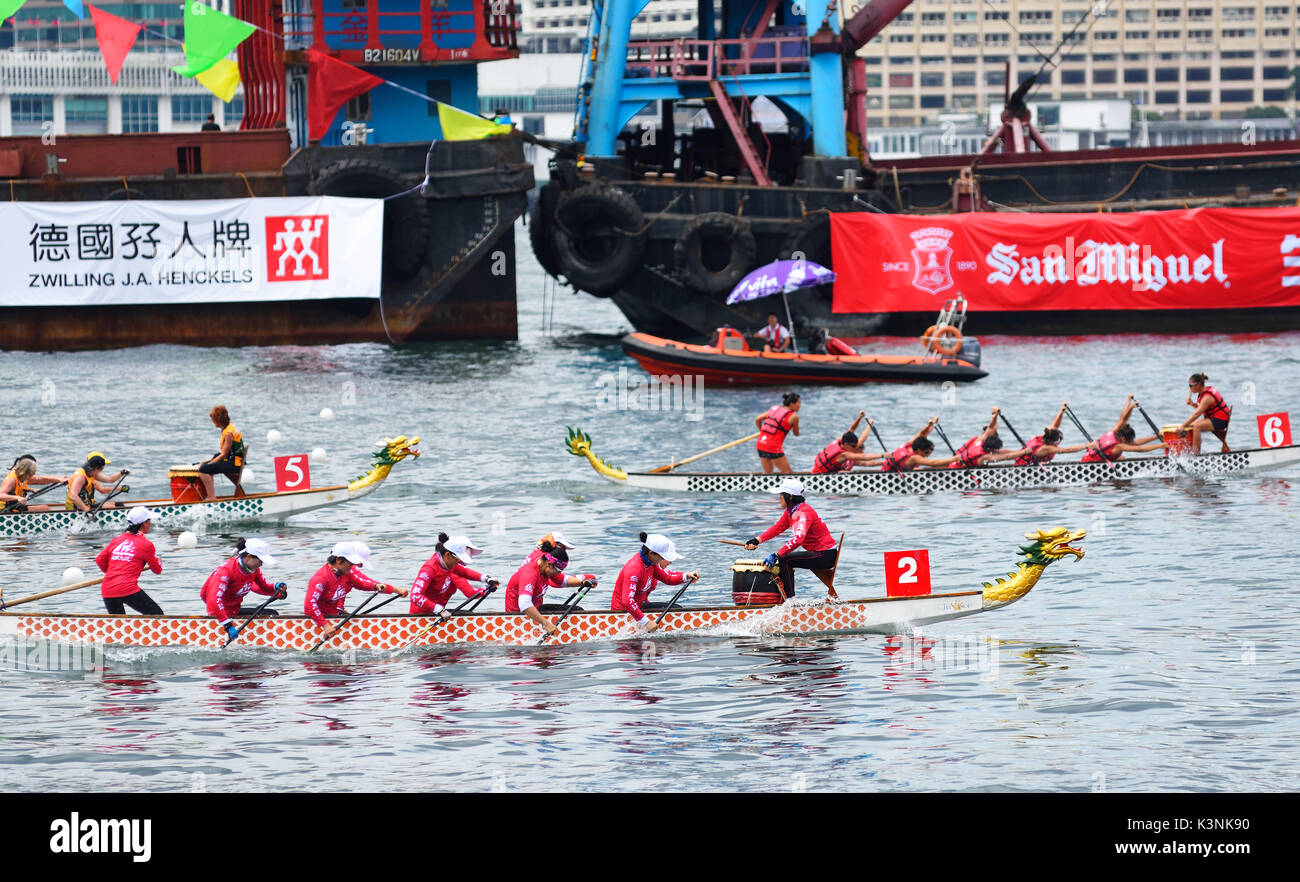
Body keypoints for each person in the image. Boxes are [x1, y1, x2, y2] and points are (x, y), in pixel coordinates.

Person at [743, 478, 837, 598]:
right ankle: (786, 599)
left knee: (785, 559)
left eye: (781, 494)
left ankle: (790, 601)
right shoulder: (792, 511)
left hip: (825, 555)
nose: (779, 498)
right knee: (784, 558)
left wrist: (776, 555)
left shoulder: (803, 512)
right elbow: (777, 528)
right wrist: (756, 540)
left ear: (790, 496)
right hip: (818, 553)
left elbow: (798, 539)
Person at [305, 541, 408, 639]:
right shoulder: (320, 578)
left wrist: (396, 590)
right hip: (319, 622)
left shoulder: (346, 574)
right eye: (350, 562)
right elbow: (309, 604)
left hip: (334, 618)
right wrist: (325, 625)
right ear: (338, 560)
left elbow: (364, 584)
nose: (352, 566)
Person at [201, 538, 287, 642]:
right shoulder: (226, 571)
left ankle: (267, 640)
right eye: (260, 560)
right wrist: (227, 625)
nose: (262, 564)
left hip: (234, 612)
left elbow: (263, 587)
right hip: (220, 616)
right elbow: (212, 599)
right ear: (249, 557)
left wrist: (276, 588)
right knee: (270, 615)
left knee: (272, 614)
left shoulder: (253, 570)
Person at [611, 532, 699, 632]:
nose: (663, 559)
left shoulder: (650, 563)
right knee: (676, 609)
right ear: (651, 553)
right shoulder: (634, 569)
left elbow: (668, 578)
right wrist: (646, 622)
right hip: (622, 613)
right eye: (661, 557)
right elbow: (627, 601)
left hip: (639, 606)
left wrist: (686, 576)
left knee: (676, 609)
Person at [505, 544, 596, 638]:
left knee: (576, 610)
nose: (557, 574)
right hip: (517, 617)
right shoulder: (530, 573)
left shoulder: (545, 568)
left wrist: (583, 582)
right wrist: (546, 624)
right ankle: (572, 637)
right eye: (558, 571)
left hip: (534, 611)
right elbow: (524, 604)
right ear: (549, 564)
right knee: (577, 611)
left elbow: (563, 581)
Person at [94, 506, 164, 615]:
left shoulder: (117, 540)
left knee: (119, 624)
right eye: (149, 521)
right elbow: (157, 570)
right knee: (157, 616)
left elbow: (99, 560)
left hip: (107, 589)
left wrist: (114, 573)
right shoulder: (147, 545)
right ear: (144, 523)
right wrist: (158, 561)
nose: (151, 523)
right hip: (127, 588)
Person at [410, 533, 499, 617]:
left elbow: (465, 572)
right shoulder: (429, 569)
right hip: (419, 617)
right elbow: (415, 596)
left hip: (438, 614)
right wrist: (438, 609)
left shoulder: (448, 565)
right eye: (459, 560)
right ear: (448, 555)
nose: (459, 563)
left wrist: (486, 579)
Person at [1081, 395, 1165, 462]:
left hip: (1089, 457)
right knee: (1121, 458)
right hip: (1090, 464)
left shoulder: (1114, 431)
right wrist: (1161, 445)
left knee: (1121, 458)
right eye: (1130, 440)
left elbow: (1123, 418)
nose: (1132, 442)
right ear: (1124, 438)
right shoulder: (1119, 446)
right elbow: (1139, 449)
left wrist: (1129, 403)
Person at [1011, 403, 1090, 465]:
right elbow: (1067, 450)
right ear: (1052, 442)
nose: (1061, 441)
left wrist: (1061, 412)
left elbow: (1055, 425)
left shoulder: (1046, 436)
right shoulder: (1046, 448)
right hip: (1023, 468)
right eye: (1060, 439)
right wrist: (1087, 445)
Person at [811, 410, 884, 473]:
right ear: (846, 444)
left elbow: (852, 429)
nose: (855, 448)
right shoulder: (844, 454)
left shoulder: (844, 442)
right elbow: (863, 454)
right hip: (820, 477)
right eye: (854, 447)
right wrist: (883, 455)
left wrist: (860, 418)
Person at [948, 408, 1021, 468]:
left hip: (956, 463)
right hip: (957, 470)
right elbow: (1006, 457)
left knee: (999, 452)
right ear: (991, 449)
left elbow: (991, 427)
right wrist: (1024, 452)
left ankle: (1020, 451)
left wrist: (995, 416)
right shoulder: (985, 456)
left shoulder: (980, 441)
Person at [198, 405, 246, 497]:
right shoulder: (229, 426)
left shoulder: (228, 434)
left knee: (203, 470)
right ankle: (210, 496)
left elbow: (224, 455)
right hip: (234, 460)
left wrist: (209, 464)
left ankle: (211, 499)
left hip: (234, 464)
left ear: (217, 420)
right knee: (214, 458)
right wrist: (211, 461)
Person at [880, 419, 959, 471]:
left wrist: (930, 425)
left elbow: (922, 434)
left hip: (894, 470)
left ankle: (954, 465)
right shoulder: (913, 457)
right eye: (926, 453)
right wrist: (954, 459)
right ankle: (956, 464)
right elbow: (933, 463)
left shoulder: (909, 445)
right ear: (919, 450)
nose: (927, 455)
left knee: (931, 466)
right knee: (933, 466)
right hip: (889, 476)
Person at [1181, 373, 1231, 453]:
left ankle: (1195, 454)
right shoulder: (1203, 392)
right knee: (1191, 426)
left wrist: (1183, 425)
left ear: (1198, 384)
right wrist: (1192, 404)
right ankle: (1187, 451)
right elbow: (1204, 407)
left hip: (1221, 419)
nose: (1190, 388)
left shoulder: (1207, 396)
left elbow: (1197, 414)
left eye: (1191, 385)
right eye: (1189, 385)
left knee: (1196, 426)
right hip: (1215, 418)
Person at [755, 392, 801, 473]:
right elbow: (796, 434)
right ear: (791, 403)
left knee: (768, 474)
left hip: (761, 444)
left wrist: (762, 431)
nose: (800, 405)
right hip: (773, 447)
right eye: (798, 403)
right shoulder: (794, 416)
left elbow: (758, 419)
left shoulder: (774, 408)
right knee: (788, 474)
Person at [0, 455, 65, 512]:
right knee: (45, 508)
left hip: (15, 506)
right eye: (32, 473)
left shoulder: (21, 476)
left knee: (44, 508)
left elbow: (40, 480)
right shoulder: (12, 479)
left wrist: (59, 479)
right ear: (26, 472)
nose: (33, 475)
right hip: (6, 510)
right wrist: (17, 498)